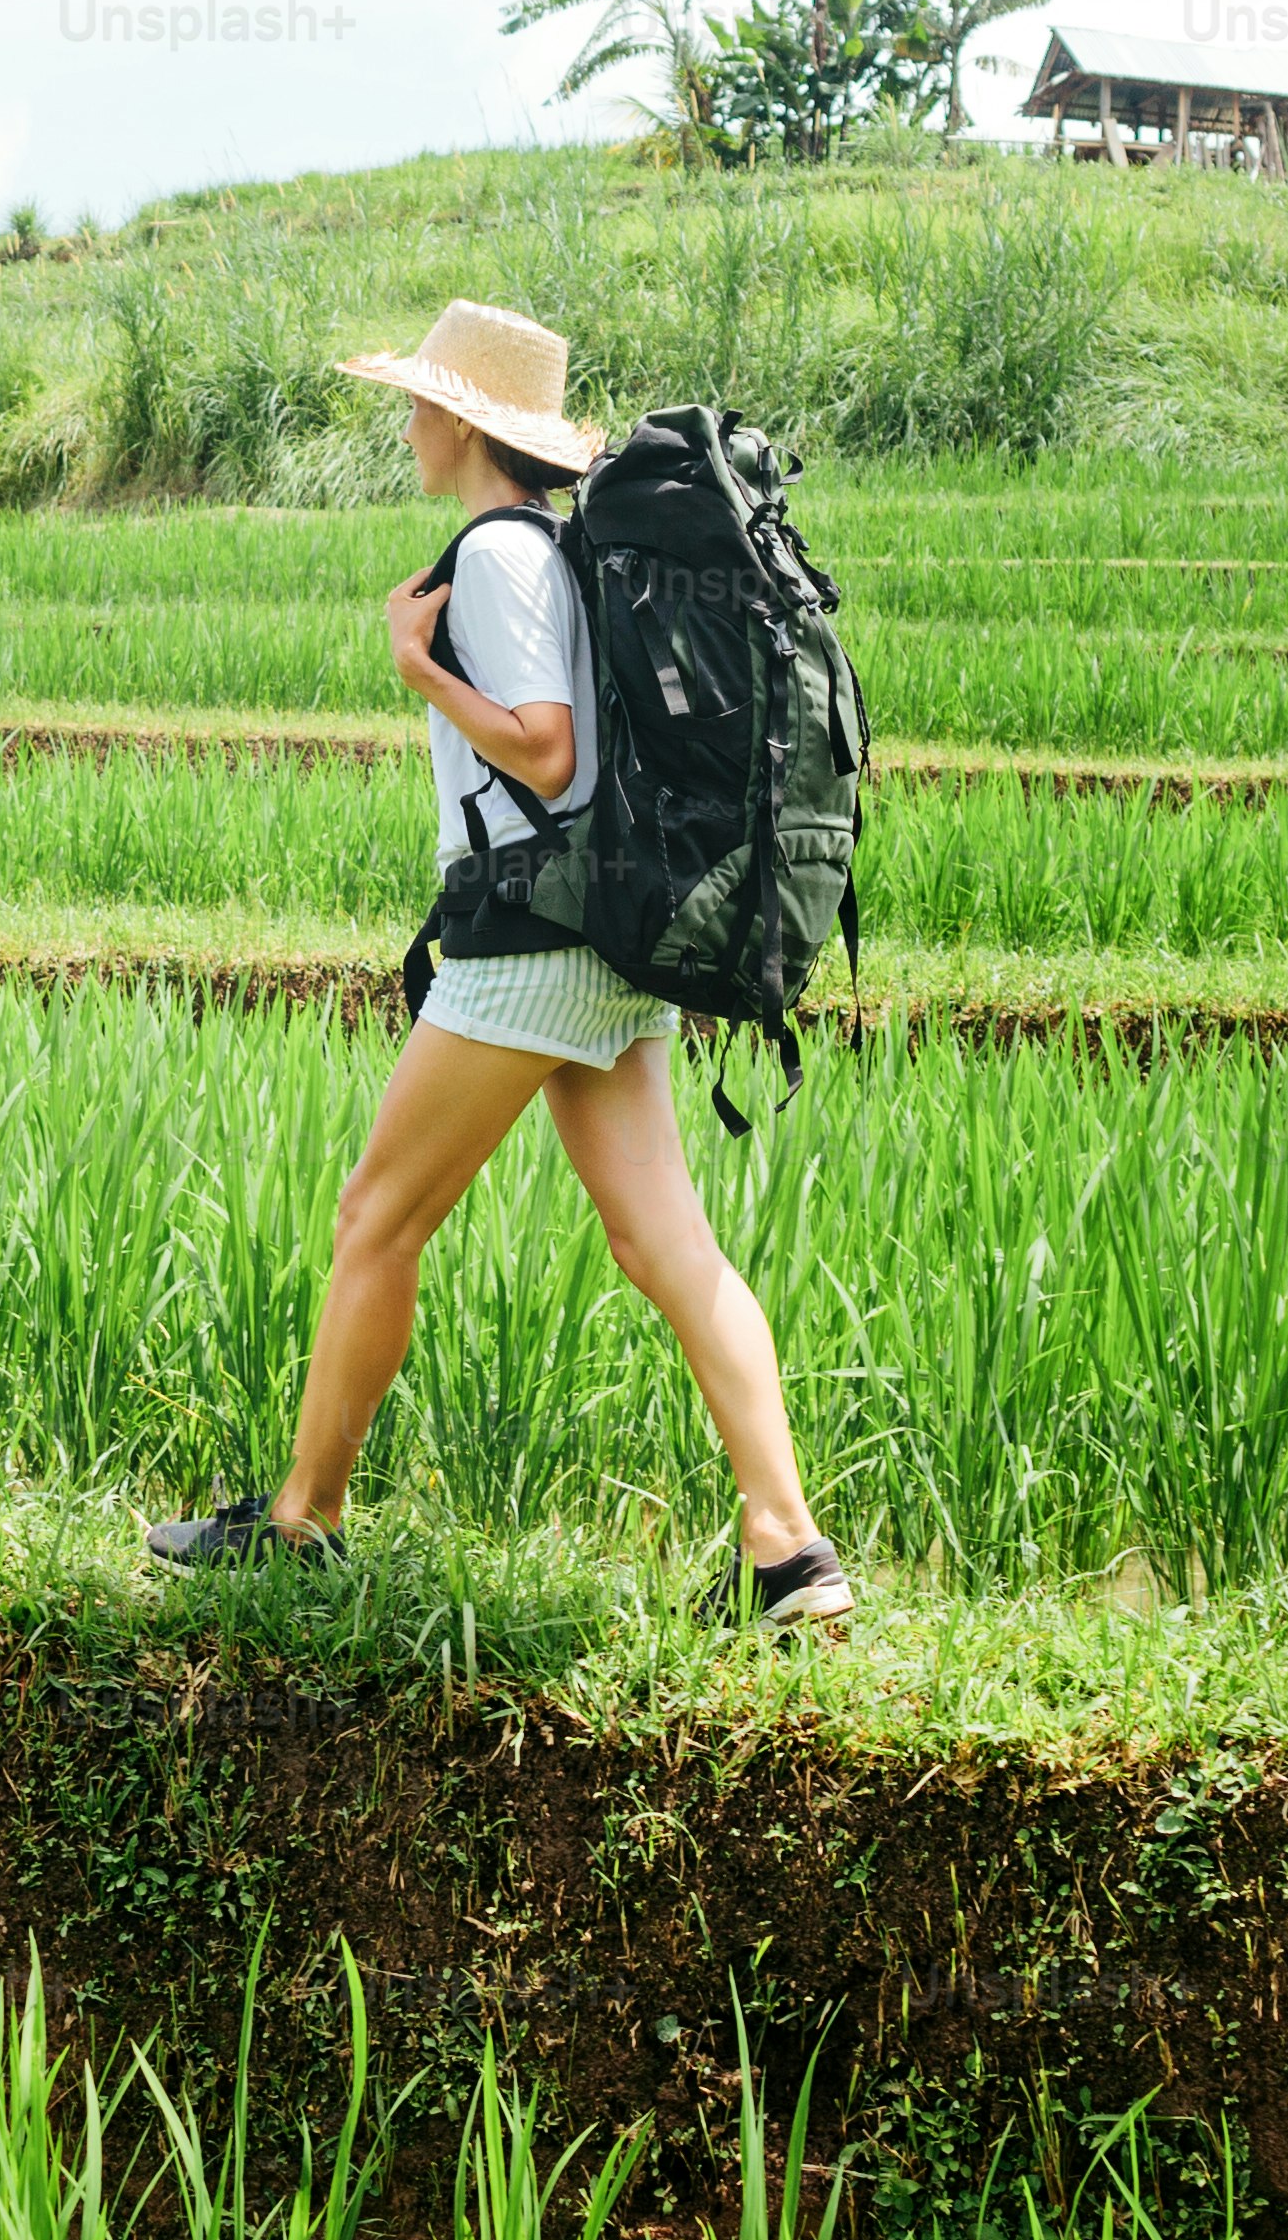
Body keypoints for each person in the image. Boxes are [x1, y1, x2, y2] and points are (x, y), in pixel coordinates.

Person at [145, 299, 857, 1632]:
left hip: (531, 942)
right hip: (607, 941)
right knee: (665, 1243)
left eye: (420, 403)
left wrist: (419, 669)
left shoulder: (498, 559)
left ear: (466, 423)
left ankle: (302, 1522)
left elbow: (545, 750)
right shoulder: (561, 552)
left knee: (377, 1217)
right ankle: (789, 1549)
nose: (407, 424)